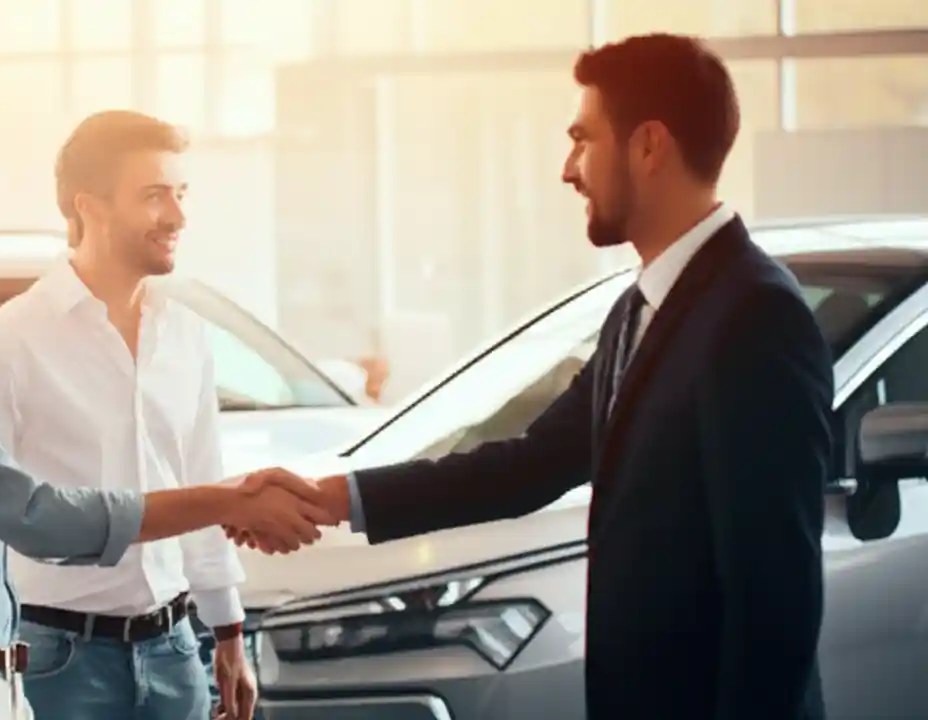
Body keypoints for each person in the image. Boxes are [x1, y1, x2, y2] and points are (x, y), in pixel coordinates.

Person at [241, 34, 833, 719]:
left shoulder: (756, 316)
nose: (567, 170)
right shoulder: (638, 309)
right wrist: (332, 497)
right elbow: (529, 466)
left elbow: (775, 598)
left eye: (583, 139)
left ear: (648, 146)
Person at [0, 104, 336, 720]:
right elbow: (33, 516)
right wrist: (229, 502)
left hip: (35, 668)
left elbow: (188, 469)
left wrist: (226, 621)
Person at [0, 110, 256, 720]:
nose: (177, 216)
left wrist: (229, 630)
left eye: (180, 194)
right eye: (154, 196)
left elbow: (203, 486)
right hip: (56, 661)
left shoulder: (186, 335)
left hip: (177, 653)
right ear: (89, 206)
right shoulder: (7, 343)